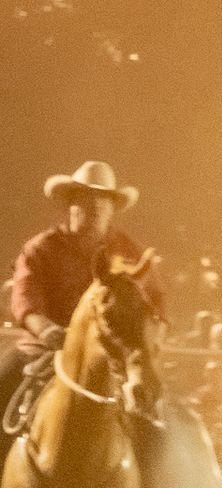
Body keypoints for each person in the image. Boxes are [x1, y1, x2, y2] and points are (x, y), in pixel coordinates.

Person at [4, 161, 167, 424]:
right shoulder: (41, 248)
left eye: (104, 199)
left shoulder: (130, 251)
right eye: (87, 197)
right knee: (3, 381)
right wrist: (48, 331)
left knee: (158, 414)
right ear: (71, 203)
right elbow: (25, 299)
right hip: (43, 348)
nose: (96, 206)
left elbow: (155, 301)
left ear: (112, 208)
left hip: (113, 354)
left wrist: (150, 338)